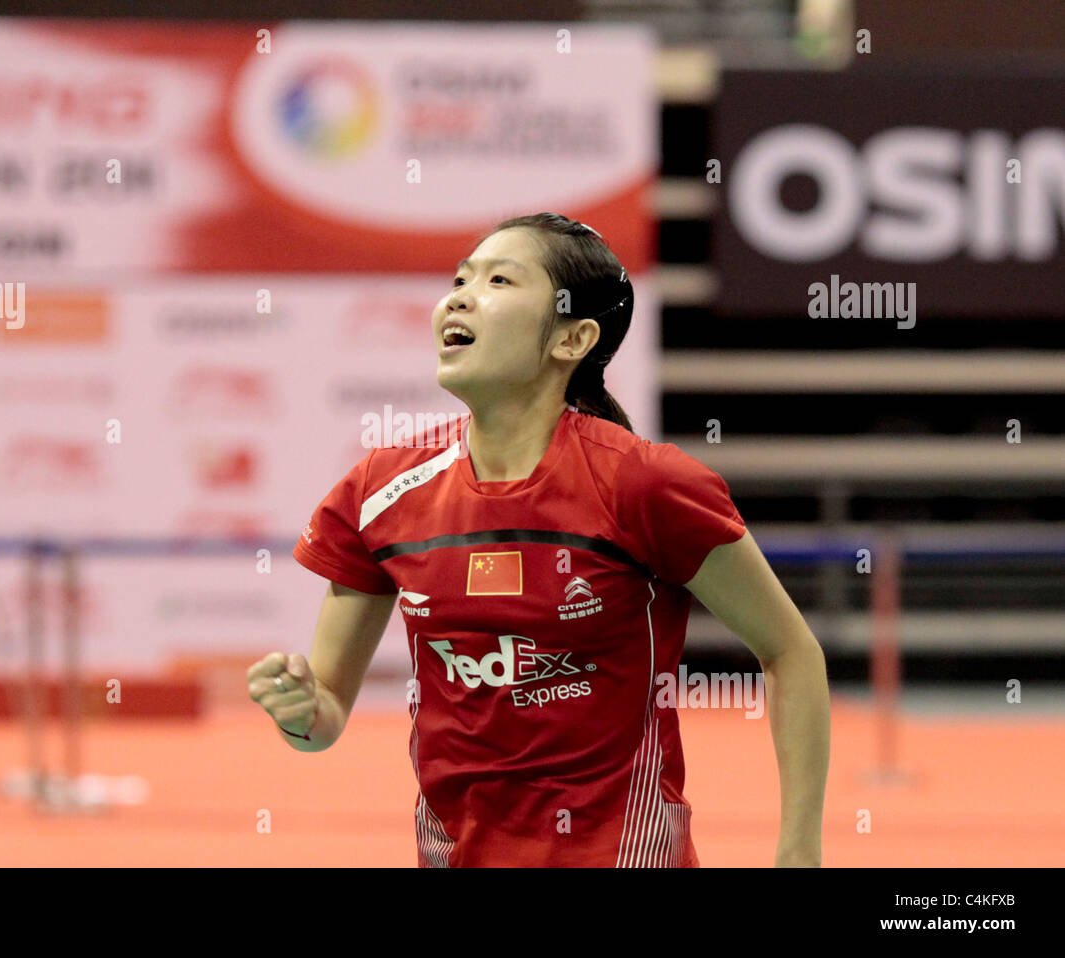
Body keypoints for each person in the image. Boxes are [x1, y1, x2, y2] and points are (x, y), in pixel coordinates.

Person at [248, 212, 830, 867]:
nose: (459, 297)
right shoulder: (381, 492)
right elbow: (322, 723)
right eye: (459, 279)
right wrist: (298, 709)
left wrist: (798, 854)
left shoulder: (645, 484)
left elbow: (790, 651)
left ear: (571, 338)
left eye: (499, 280)